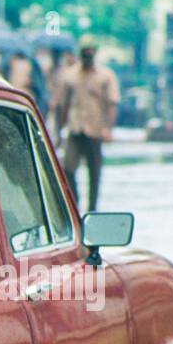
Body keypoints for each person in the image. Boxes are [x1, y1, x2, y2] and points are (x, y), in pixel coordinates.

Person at [54, 34, 120, 211]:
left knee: (94, 174)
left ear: (95, 53)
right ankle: (74, 207)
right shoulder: (70, 75)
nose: (87, 56)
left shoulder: (106, 76)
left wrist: (108, 129)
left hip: (95, 130)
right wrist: (59, 131)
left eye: (90, 53)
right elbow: (64, 105)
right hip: (75, 129)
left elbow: (112, 104)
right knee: (67, 169)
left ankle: (92, 210)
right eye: (84, 53)